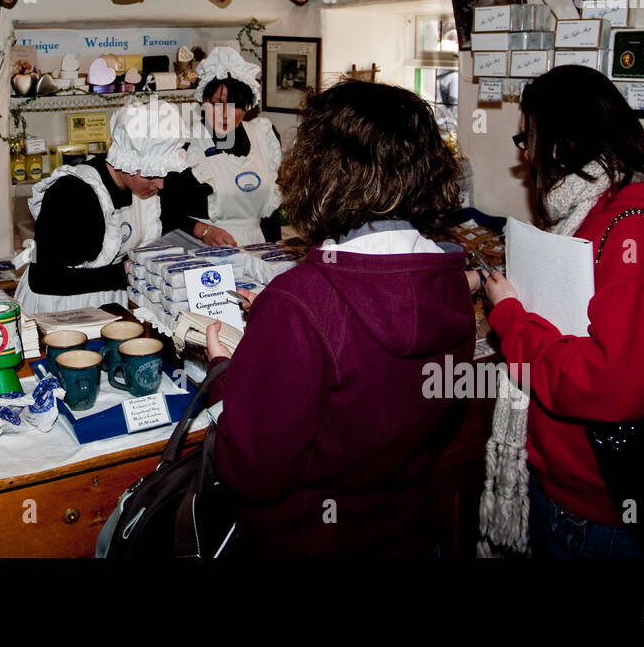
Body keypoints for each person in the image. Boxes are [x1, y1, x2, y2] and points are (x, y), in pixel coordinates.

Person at [203, 80, 476, 556]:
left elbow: (253, 470)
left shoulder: (298, 302)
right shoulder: (450, 281)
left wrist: (226, 371)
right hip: (408, 533)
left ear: (319, 171)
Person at [476, 65, 644, 558]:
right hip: (572, 484)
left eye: (527, 136)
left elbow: (608, 384)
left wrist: (512, 317)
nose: (524, 153)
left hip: (597, 511)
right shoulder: (598, 212)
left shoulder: (633, 230)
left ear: (561, 142)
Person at [13, 100, 189, 313]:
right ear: (127, 161)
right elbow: (44, 278)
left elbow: (164, 217)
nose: (160, 184)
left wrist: (200, 230)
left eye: (164, 174)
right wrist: (122, 273)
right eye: (152, 175)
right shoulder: (71, 193)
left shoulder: (140, 187)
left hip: (108, 299)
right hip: (58, 306)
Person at [162, 45, 282, 246]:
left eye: (235, 104)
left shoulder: (264, 137)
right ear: (203, 100)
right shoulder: (186, 145)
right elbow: (164, 213)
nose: (224, 112)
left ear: (248, 106)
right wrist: (202, 230)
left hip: (256, 248)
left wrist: (275, 253)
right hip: (201, 251)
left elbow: (271, 213)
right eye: (217, 102)